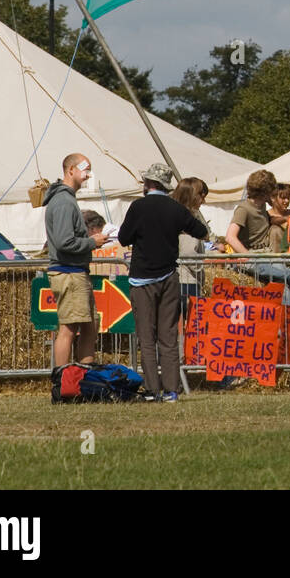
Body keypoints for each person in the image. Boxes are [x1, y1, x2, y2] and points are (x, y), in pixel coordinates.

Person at [118, 165, 208, 402]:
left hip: (142, 278)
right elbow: (201, 231)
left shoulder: (138, 207)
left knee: (147, 337)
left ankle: (151, 390)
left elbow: (123, 237)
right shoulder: (176, 208)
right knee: (169, 337)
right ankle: (171, 390)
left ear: (148, 183)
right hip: (169, 277)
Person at [44, 153, 108, 368]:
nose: (88, 175)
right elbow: (64, 242)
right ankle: (62, 380)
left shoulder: (66, 199)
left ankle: (84, 377)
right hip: (68, 272)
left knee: (89, 326)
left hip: (75, 272)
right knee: (69, 328)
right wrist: (93, 242)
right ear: (70, 170)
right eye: (84, 169)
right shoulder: (63, 202)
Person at [228, 169, 290, 315]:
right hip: (251, 257)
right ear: (265, 191)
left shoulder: (262, 207)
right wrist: (248, 255)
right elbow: (230, 237)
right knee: (286, 275)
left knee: (283, 287)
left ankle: (287, 329)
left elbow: (266, 221)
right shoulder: (243, 209)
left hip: (265, 254)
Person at [172, 176, 210, 313]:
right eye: (201, 195)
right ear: (193, 195)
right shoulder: (187, 220)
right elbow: (188, 252)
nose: (203, 200)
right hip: (187, 280)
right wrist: (201, 270)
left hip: (179, 279)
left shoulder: (174, 216)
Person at [266, 183, 290, 253]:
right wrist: (285, 219)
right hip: (275, 260)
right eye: (283, 198)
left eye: (288, 198)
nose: (287, 201)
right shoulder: (266, 216)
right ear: (273, 198)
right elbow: (272, 220)